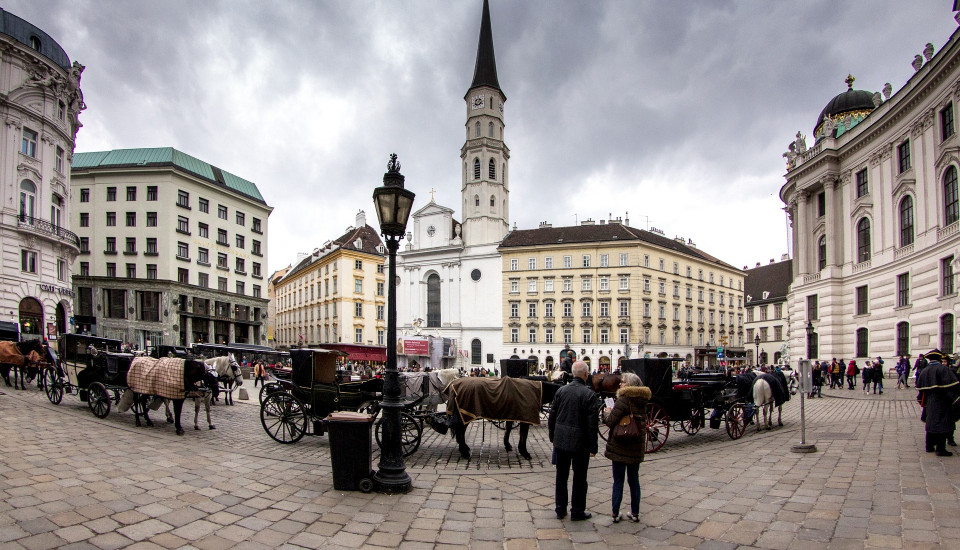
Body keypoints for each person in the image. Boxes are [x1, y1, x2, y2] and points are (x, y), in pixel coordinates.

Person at [549, 361, 600, 521]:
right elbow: (592, 424)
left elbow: (552, 416)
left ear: (572, 374)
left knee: (561, 477)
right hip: (581, 443)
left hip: (561, 441)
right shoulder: (589, 394)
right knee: (579, 478)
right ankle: (577, 511)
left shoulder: (561, 391)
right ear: (586, 375)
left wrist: (553, 436)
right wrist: (594, 446)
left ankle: (560, 509)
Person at [602, 372, 650, 523]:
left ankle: (615, 513)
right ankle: (635, 513)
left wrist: (607, 413)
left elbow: (610, 422)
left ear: (629, 385)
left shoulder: (623, 400)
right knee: (634, 480)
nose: (620, 384)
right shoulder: (642, 400)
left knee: (618, 480)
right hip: (636, 445)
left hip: (620, 445)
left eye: (622, 382)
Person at [916, 354, 960, 456]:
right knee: (942, 424)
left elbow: (921, 391)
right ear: (939, 359)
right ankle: (940, 449)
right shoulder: (943, 369)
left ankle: (929, 446)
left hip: (930, 402)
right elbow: (951, 386)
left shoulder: (925, 370)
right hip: (942, 401)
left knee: (930, 423)